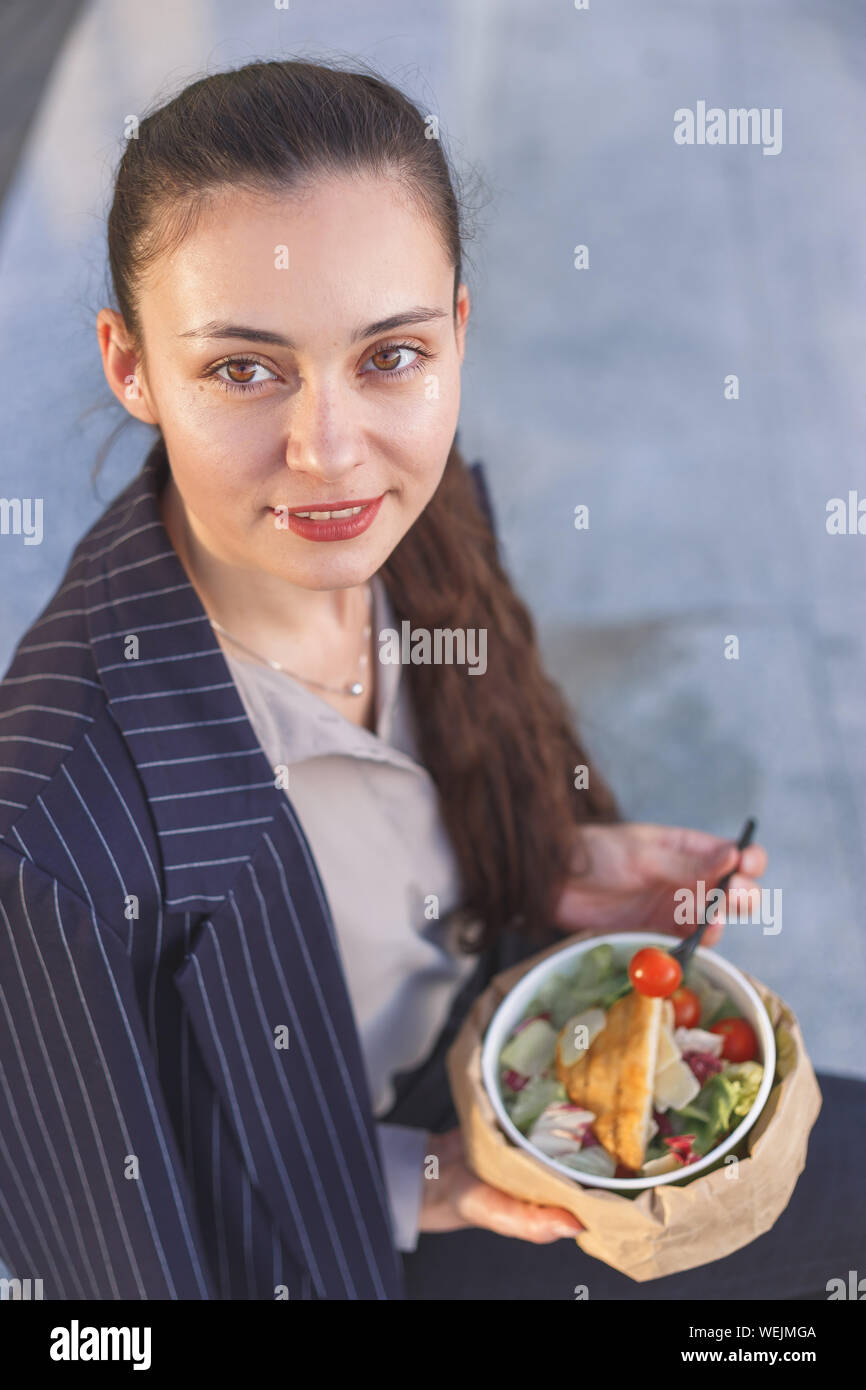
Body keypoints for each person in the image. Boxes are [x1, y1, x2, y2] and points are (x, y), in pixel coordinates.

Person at [4, 54, 829, 1303]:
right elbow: (118, 1272)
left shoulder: (425, 519)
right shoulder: (53, 829)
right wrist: (430, 1176)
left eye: (388, 356)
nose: (332, 453)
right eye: (242, 367)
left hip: (509, 1068)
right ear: (131, 368)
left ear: (456, 329)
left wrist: (539, 859)